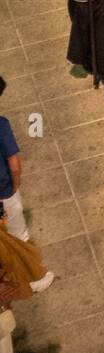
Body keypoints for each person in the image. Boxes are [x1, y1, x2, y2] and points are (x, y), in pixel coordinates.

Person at [0, 78, 27, 240]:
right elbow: (14, 164)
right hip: (4, 189)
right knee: (17, 229)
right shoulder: (1, 125)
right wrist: (15, 184)